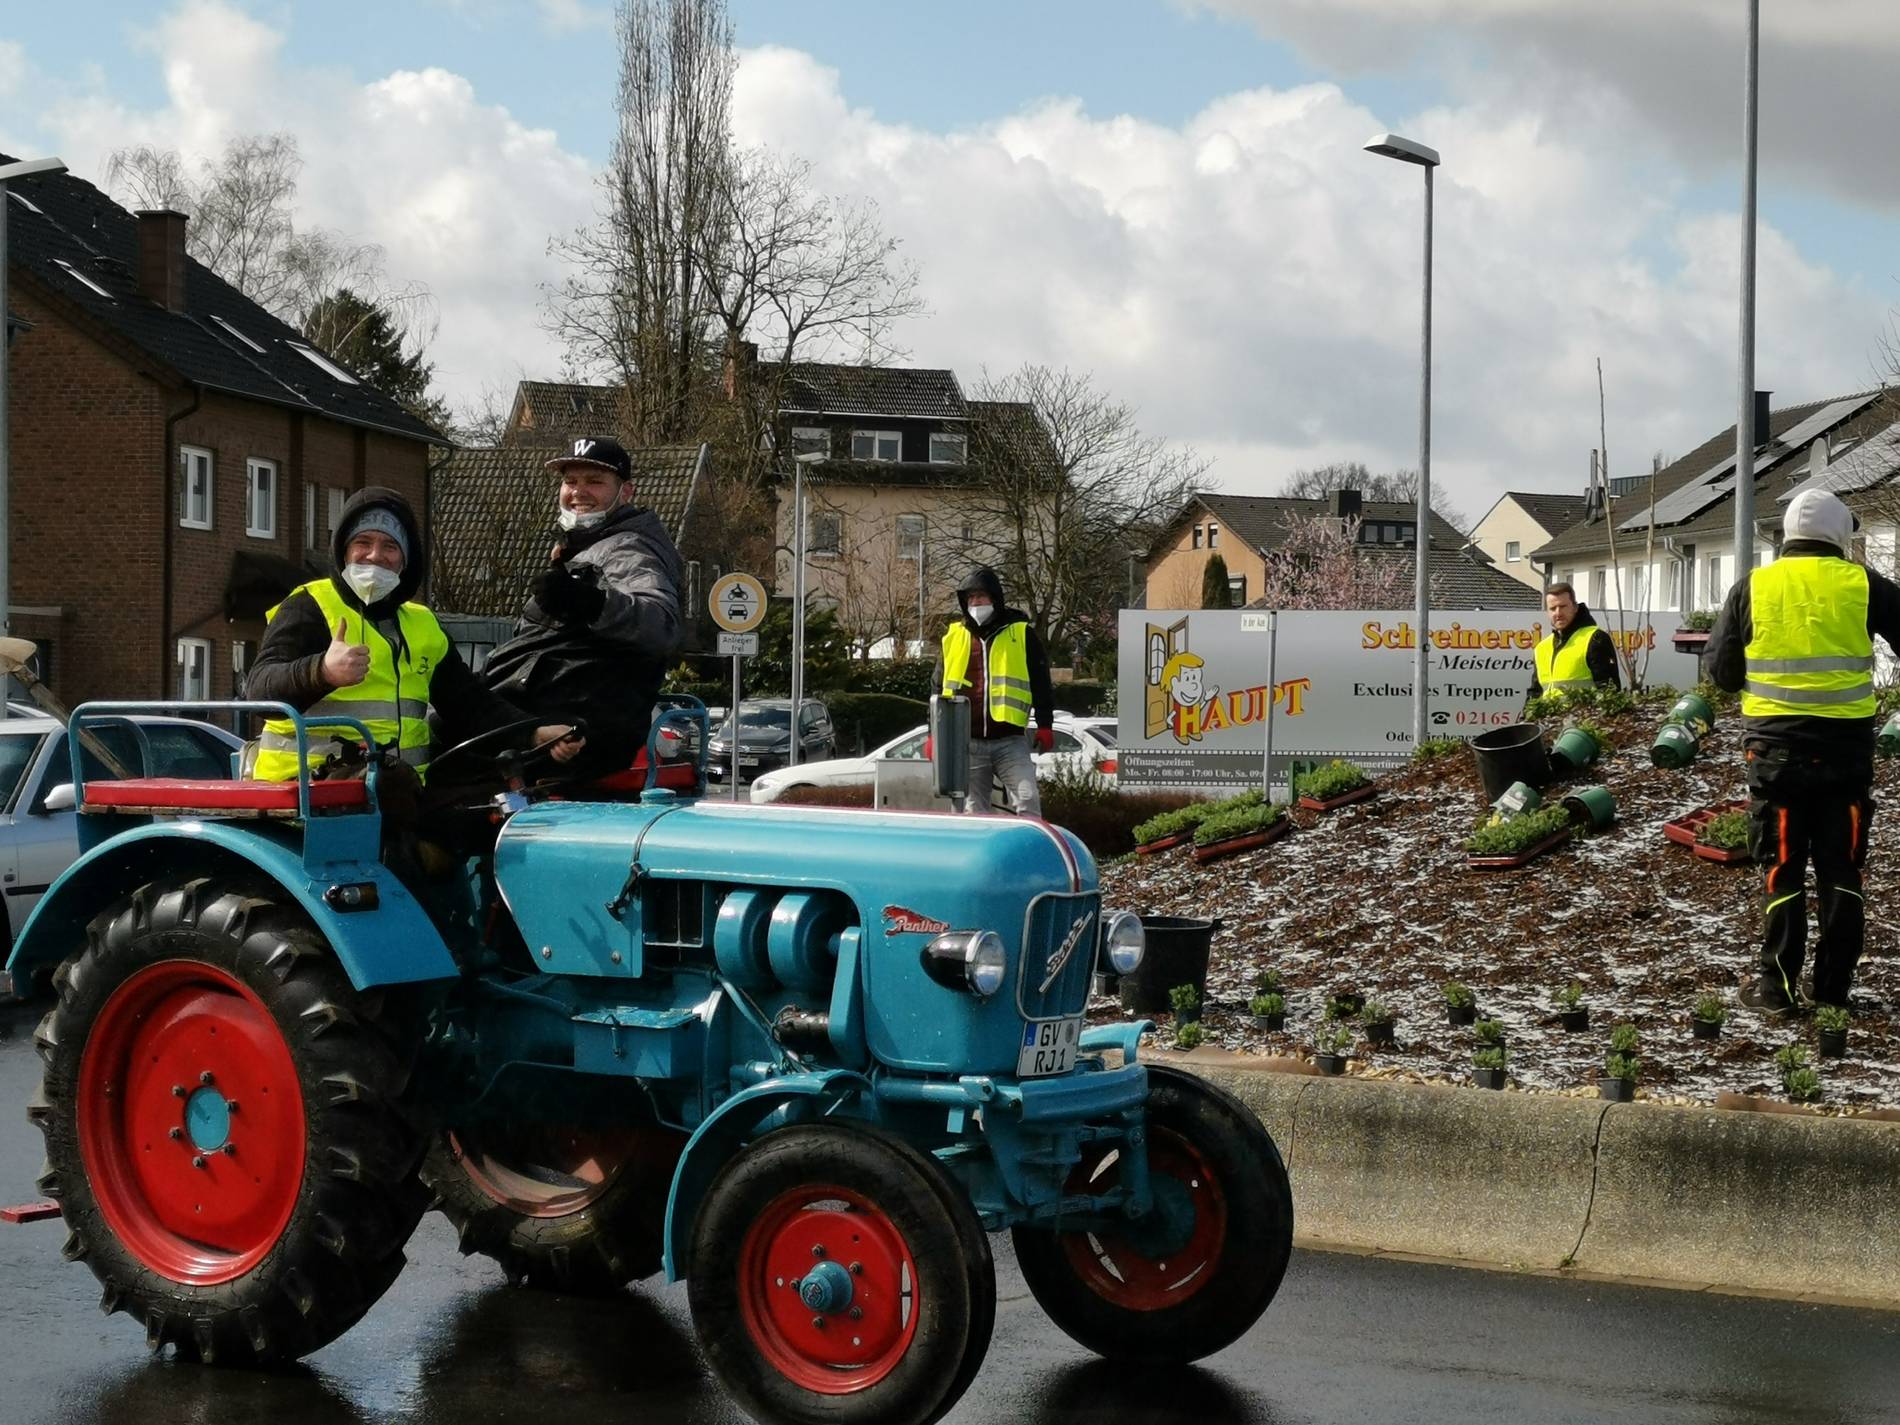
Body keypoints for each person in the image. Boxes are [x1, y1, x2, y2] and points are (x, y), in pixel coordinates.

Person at [1706, 488, 1900, 1013]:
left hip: (1775, 757)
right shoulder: (1864, 585)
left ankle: (1776, 993)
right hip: (1846, 757)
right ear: (1840, 536)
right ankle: (1833, 991)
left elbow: (1722, 674)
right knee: (1841, 871)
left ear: (1788, 534)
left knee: (1782, 869)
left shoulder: (1753, 586)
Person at [247, 487, 580, 785]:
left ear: (406, 560)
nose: (375, 556)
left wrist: (533, 732)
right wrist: (320, 672)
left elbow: (470, 705)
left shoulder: (422, 625)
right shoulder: (310, 606)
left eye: (390, 546)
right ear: (343, 550)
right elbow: (259, 692)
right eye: (363, 543)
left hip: (399, 794)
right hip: (308, 790)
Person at [480, 436, 686, 782]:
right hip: (546, 712)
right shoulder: (582, 549)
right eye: (570, 481)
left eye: (594, 482)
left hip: (580, 727)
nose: (578, 492)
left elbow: (662, 625)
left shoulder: (628, 550)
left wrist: (592, 604)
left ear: (626, 493)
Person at [934, 566, 1057, 817]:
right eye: (970, 598)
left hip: (1009, 741)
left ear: (995, 598)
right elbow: (937, 689)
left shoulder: (1021, 632)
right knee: (971, 812)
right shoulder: (954, 636)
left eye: (981, 596)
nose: (975, 602)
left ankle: (1028, 853)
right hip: (967, 741)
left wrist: (1045, 723)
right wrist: (933, 734)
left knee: (1028, 799)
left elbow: (1041, 680)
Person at [1526, 581, 1621, 701]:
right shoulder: (1542, 647)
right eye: (1553, 608)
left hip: (1583, 718)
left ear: (1575, 607)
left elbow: (1609, 691)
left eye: (1563, 607)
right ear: (1547, 612)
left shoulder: (1595, 638)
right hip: (1549, 719)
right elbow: (1535, 693)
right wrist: (1526, 718)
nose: (1558, 613)